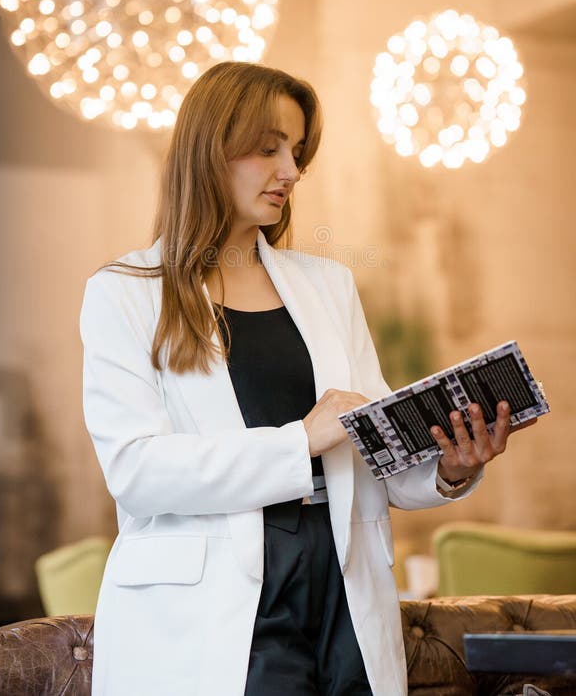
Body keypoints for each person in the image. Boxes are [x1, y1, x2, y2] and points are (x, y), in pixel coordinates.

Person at [80, 61, 526, 696]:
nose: (290, 171)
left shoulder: (329, 286)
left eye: (295, 151)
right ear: (210, 152)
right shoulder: (124, 294)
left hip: (343, 578)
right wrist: (300, 440)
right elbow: (137, 471)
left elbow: (374, 448)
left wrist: (450, 469)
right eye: (268, 150)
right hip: (219, 602)